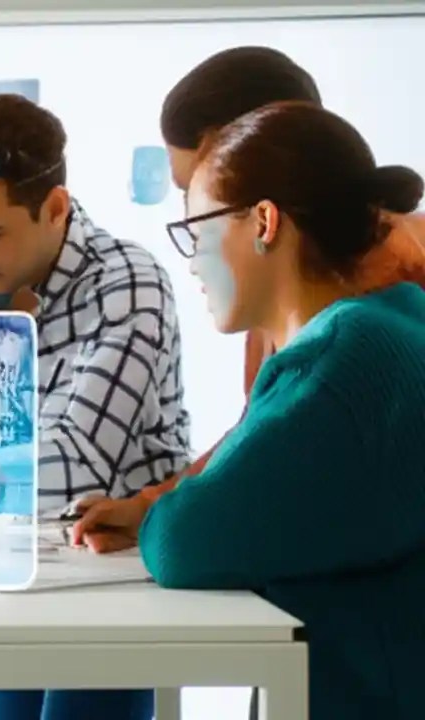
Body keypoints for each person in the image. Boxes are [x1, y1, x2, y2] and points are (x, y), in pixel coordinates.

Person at [72, 46, 425, 554]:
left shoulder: (359, 329)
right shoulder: (303, 296)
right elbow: (260, 444)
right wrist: (153, 503)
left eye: (202, 193)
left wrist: (168, 515)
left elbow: (201, 527)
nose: (196, 236)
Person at [138, 100, 425, 720]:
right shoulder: (387, 324)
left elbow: (183, 540)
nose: (192, 262)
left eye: (200, 229)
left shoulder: (346, 355)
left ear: (264, 222)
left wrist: (158, 511)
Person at [0, 94, 190, 720]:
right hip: (15, 564)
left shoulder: (130, 281)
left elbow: (80, 465)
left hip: (114, 579)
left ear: (54, 209)